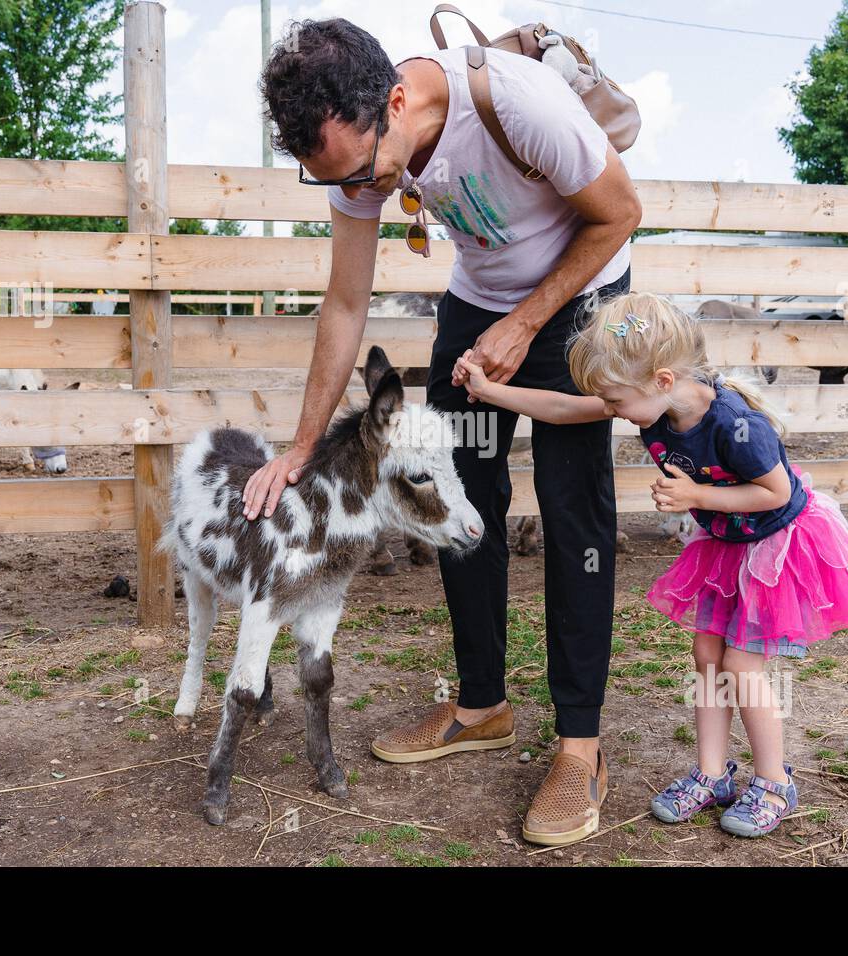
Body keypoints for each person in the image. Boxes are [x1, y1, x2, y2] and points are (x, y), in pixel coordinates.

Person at [247, 17, 640, 845]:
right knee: (457, 500)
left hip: (580, 295)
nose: (361, 190)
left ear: (393, 101)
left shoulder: (520, 104)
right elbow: (346, 304)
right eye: (338, 179)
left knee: (574, 512)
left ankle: (580, 747)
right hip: (482, 301)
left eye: (361, 170)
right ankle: (482, 704)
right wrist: (300, 446)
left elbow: (621, 214)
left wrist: (530, 323)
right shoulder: (351, 160)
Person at [453, 291, 848, 838]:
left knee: (742, 664)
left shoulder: (735, 426)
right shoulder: (653, 406)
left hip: (775, 548)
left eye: (616, 401)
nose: (612, 412)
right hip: (730, 545)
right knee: (708, 651)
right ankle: (712, 774)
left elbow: (775, 495)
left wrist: (698, 497)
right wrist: (491, 390)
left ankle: (775, 781)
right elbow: (564, 410)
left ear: (661, 380)